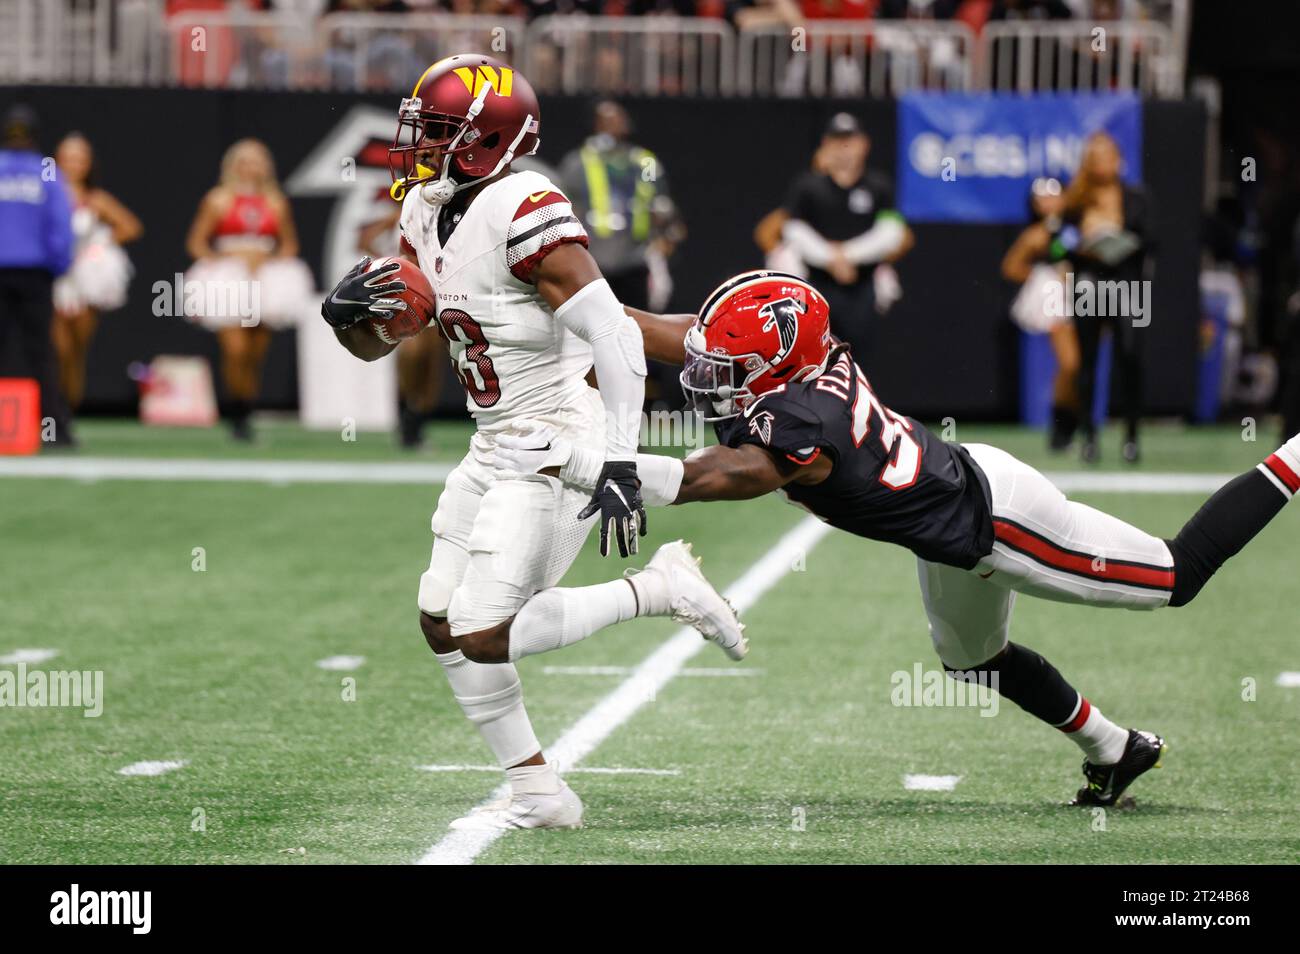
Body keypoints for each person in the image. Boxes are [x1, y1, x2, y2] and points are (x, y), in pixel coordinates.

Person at [496, 270, 1300, 807]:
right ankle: (1115, 748)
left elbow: (720, 477)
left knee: (1176, 572)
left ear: (778, 363)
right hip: (948, 527)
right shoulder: (796, 370)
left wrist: (589, 465)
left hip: (998, 523)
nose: (710, 376)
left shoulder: (805, 419)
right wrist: (581, 311)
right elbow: (679, 336)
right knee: (974, 662)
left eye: (732, 365)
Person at [319, 54, 743, 832]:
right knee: (439, 616)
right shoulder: (425, 208)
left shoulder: (524, 207)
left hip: (561, 434)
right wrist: (369, 315)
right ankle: (540, 793)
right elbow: (408, 326)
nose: (416, 144)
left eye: (437, 131)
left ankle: (658, 590)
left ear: (487, 139)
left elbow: (614, 336)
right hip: (496, 440)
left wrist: (617, 456)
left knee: (487, 628)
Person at [184, 138, 314, 441]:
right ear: (233, 165)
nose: (251, 167)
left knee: (256, 352)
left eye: (257, 161)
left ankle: (246, 410)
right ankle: (235, 409)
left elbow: (290, 243)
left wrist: (268, 259)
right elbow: (196, 242)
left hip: (267, 277)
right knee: (235, 349)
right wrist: (226, 257)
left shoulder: (276, 202)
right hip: (229, 276)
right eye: (244, 161)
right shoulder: (217, 199)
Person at [781, 112, 912, 372]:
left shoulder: (879, 186)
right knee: (812, 359)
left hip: (861, 286)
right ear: (824, 146)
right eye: (836, 141)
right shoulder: (808, 186)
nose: (843, 149)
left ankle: (855, 410)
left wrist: (847, 255)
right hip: (816, 286)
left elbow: (893, 232)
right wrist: (830, 258)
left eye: (849, 141)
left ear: (864, 144)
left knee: (857, 360)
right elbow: (793, 229)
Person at [1061, 132, 1152, 464]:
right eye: (1095, 157)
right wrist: (1080, 245)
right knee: (1088, 361)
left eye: (1108, 156)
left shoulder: (1135, 197)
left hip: (1129, 286)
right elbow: (1056, 244)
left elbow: (1151, 240)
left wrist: (1123, 238)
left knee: (1130, 356)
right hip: (1089, 283)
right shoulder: (1076, 200)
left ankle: (1131, 436)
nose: (1102, 164)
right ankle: (1089, 436)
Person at [558, 100, 684, 314]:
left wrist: (668, 233)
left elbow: (660, 203)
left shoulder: (645, 162)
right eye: (606, 121)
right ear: (596, 125)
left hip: (636, 257)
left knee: (640, 321)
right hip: (593, 258)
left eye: (616, 120)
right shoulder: (578, 162)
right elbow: (566, 205)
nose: (612, 126)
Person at [51, 133, 143, 413]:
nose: (74, 164)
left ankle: (67, 413)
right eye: (68, 158)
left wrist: (98, 244)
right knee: (57, 350)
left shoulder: (96, 199)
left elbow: (131, 226)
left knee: (76, 353)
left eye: (80, 158)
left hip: (84, 280)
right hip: (55, 276)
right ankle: (50, 414)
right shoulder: (47, 192)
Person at [0, 104, 74, 447]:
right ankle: (55, 431)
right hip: (34, 273)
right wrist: (57, 264)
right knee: (41, 352)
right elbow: (60, 225)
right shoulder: (46, 171)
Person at [355, 190, 445, 449]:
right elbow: (363, 240)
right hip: (407, 294)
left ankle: (418, 421)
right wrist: (385, 265)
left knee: (432, 360)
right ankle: (406, 417)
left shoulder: (441, 218)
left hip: (435, 291)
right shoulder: (401, 216)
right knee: (411, 353)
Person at [1001, 176, 1081, 451]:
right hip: (1057, 301)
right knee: (1071, 364)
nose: (1047, 203)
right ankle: (1063, 425)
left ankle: (1074, 425)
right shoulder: (1036, 234)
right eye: (1040, 199)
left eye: (1052, 195)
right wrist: (1043, 277)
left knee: (1083, 365)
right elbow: (1011, 267)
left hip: (1085, 295)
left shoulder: (1076, 226)